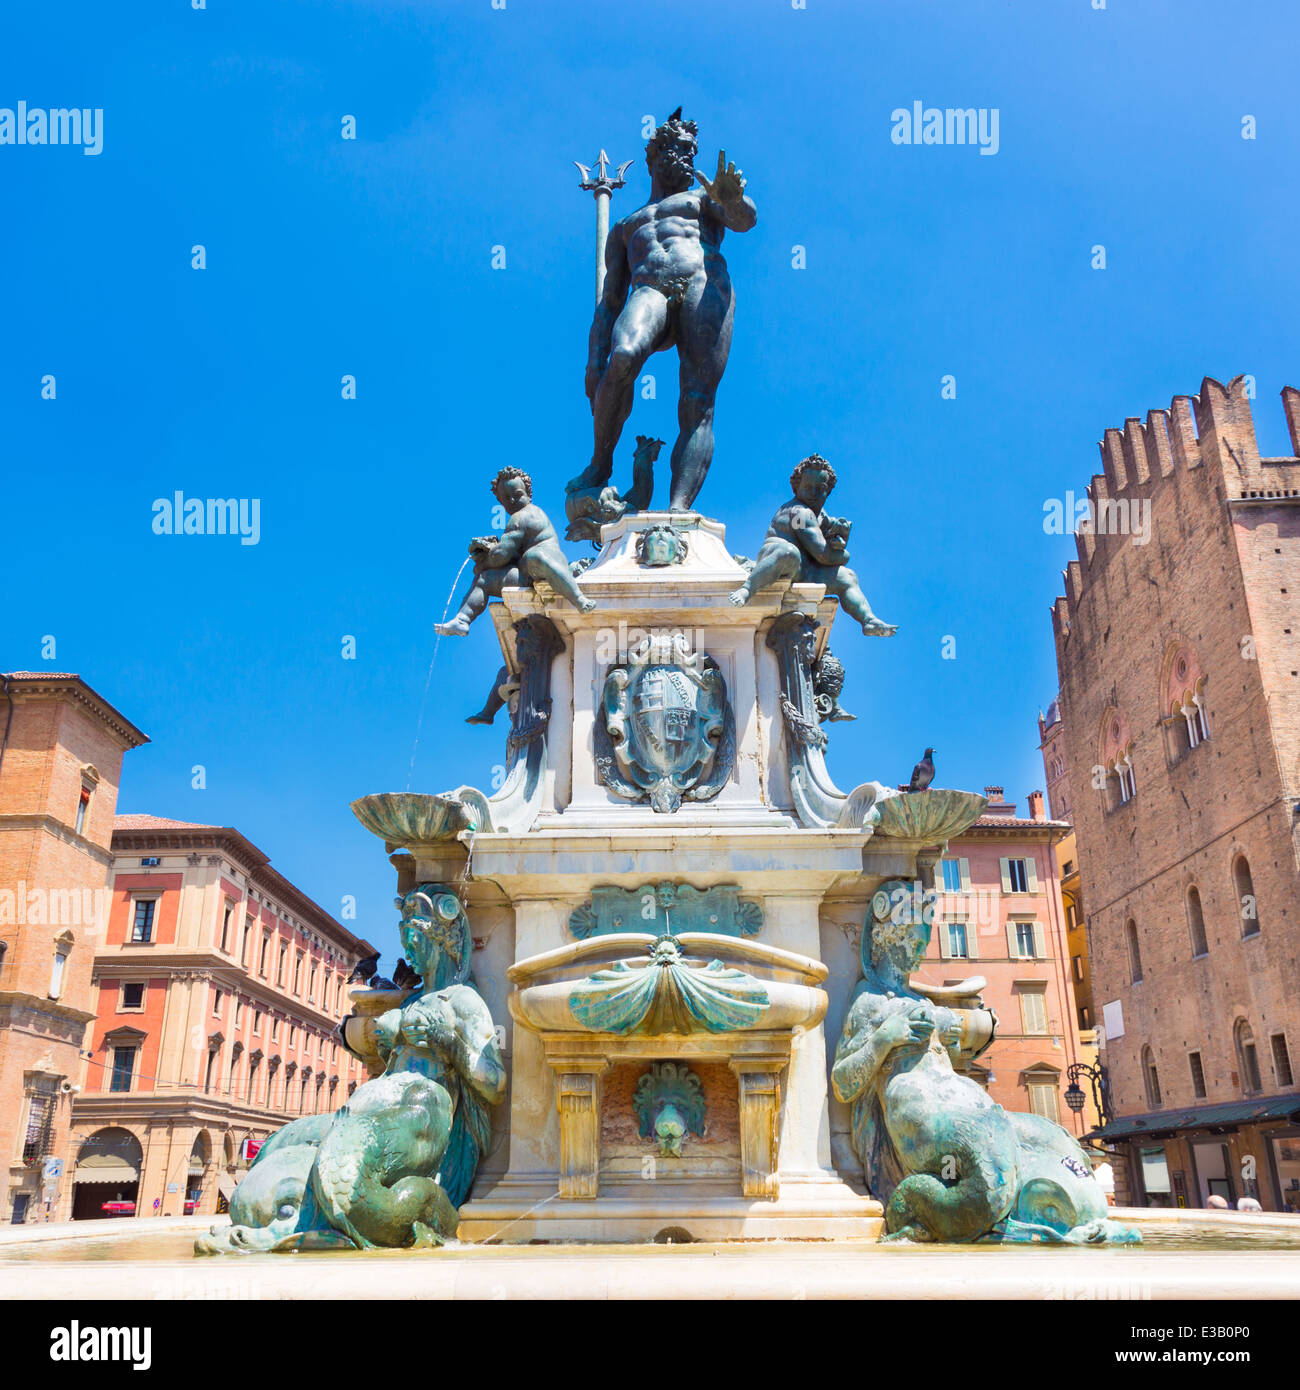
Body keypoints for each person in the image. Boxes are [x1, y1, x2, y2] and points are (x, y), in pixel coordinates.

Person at [731, 454, 897, 636]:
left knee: (847, 577)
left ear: (829, 491)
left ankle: (868, 620)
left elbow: (830, 542)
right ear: (797, 487)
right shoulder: (800, 514)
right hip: (779, 560)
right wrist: (843, 554)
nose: (814, 493)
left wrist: (840, 536)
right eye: (808, 487)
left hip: (805, 570)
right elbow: (823, 555)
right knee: (788, 552)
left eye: (821, 488)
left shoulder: (820, 516)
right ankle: (747, 589)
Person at [435, 467, 595, 635]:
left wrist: (484, 561)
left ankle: (578, 598)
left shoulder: (524, 516)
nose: (512, 500)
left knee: (535, 557)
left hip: (544, 563)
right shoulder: (518, 518)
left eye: (517, 495)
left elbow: (501, 555)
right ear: (501, 502)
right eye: (506, 498)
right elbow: (509, 554)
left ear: (529, 494)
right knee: (484, 580)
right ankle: (462, 620)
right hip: (527, 575)